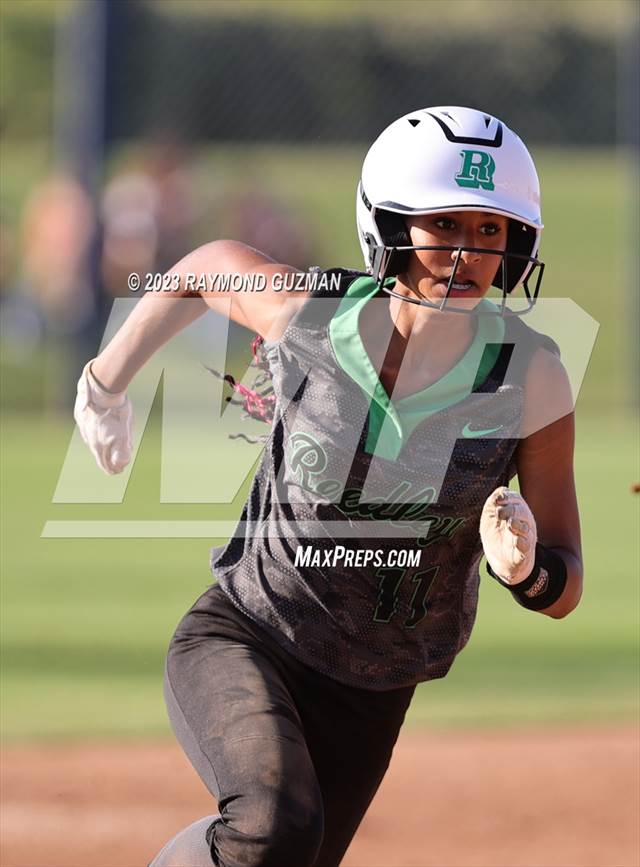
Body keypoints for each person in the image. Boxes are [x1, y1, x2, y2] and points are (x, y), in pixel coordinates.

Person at [74, 106, 583, 867]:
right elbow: (204, 266)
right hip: (249, 633)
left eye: (490, 230)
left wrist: (527, 569)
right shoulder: (312, 315)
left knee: (287, 855)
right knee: (272, 824)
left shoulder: (531, 374)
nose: (468, 251)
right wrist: (104, 383)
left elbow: (567, 577)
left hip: (376, 689)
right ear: (388, 225)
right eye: (444, 224)